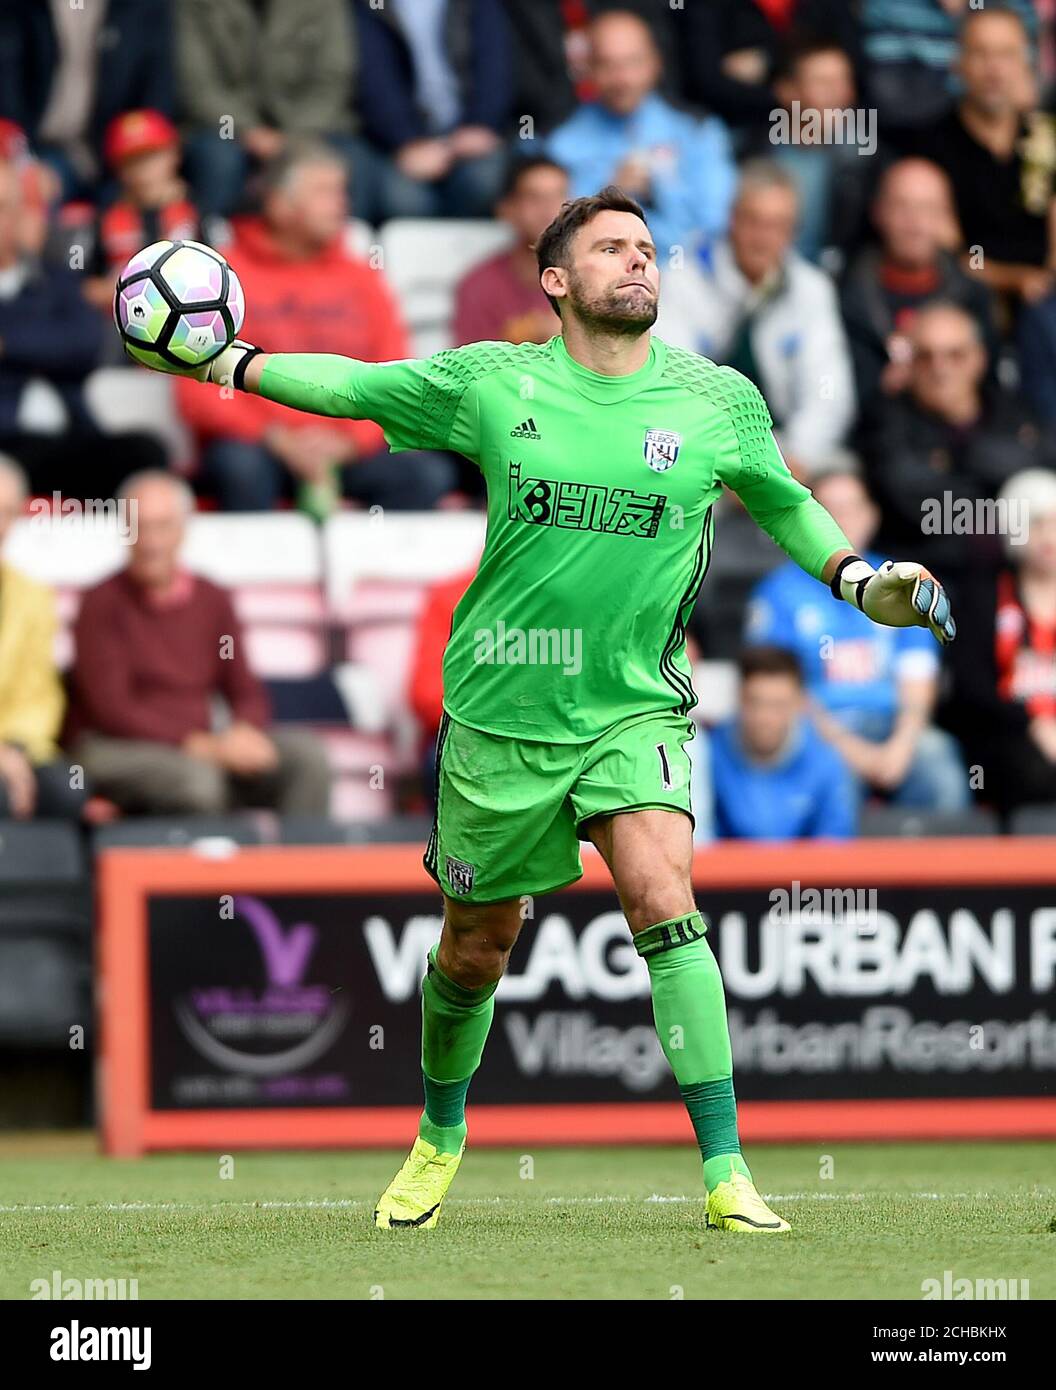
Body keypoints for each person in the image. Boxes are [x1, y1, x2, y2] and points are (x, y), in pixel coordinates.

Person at [143, 184, 957, 1237]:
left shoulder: (718, 400)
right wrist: (229, 361)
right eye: (613, 248)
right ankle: (440, 1134)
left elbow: (785, 498)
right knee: (476, 948)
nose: (640, 262)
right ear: (557, 281)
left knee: (664, 894)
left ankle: (727, 1169)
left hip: (635, 709)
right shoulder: (496, 381)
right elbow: (356, 385)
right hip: (500, 714)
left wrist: (859, 579)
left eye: (650, 248)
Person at [175, 143, 457, 513]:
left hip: (345, 447)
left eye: (341, 190)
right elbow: (195, 384)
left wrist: (349, 443)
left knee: (427, 475)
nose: (341, 204)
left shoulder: (362, 277)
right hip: (260, 446)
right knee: (240, 468)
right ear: (279, 203)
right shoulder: (224, 276)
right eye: (325, 192)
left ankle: (364, 569)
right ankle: (261, 572)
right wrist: (278, 439)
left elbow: (396, 376)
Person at [67, 470, 330, 817]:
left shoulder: (212, 598)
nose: (151, 541)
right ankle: (209, 868)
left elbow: (244, 688)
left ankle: (299, 870)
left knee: (306, 758)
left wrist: (243, 731)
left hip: (203, 747)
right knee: (198, 784)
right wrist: (200, 745)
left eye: (162, 526)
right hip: (116, 748)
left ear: (183, 529)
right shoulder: (101, 603)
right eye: (139, 526)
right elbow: (114, 710)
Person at [746, 468, 968, 812]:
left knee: (938, 761)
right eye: (830, 510)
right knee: (828, 772)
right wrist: (851, 751)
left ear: (871, 516)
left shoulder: (900, 581)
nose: (843, 520)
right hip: (817, 731)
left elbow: (918, 676)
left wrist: (902, 746)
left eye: (852, 508)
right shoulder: (779, 593)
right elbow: (779, 692)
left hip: (895, 726)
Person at [657, 159, 855, 475]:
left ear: (793, 233)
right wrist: (727, 465)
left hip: (786, 457)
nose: (763, 238)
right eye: (754, 221)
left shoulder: (812, 289)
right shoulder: (681, 278)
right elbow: (673, 387)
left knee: (847, 497)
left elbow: (829, 394)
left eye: (778, 225)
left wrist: (792, 458)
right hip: (700, 456)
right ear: (732, 219)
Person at [0, 159, 167, 499]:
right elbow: (65, 343)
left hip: (70, 438)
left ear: (21, 216)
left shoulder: (55, 281)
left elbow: (85, 343)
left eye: (2, 208)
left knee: (145, 451)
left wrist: (8, 344)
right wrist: (45, 341)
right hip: (6, 442)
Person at [862, 301, 1056, 577]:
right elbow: (920, 508)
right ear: (909, 365)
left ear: (979, 358)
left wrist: (965, 459)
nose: (940, 369)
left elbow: (1043, 469)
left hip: (1015, 586)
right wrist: (1000, 503)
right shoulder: (885, 418)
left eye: (955, 355)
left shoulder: (1009, 408)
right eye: (925, 356)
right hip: (925, 582)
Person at [546, 10, 736, 260]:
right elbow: (554, 234)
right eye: (607, 65)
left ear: (656, 63)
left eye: (632, 62)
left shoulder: (698, 131)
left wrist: (658, 193)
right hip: (599, 284)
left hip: (689, 280)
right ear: (587, 68)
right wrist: (606, 194)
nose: (622, 78)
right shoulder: (560, 144)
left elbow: (717, 222)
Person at [914, 7, 1056, 308]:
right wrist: (1016, 280)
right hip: (967, 301)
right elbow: (951, 255)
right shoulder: (931, 148)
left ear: (1025, 63)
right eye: (981, 53)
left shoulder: (1047, 135)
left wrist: (1046, 279)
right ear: (958, 63)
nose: (995, 69)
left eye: (1007, 54)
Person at [841, 158, 999, 418]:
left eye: (928, 209)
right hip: (877, 442)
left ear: (947, 218)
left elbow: (991, 387)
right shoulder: (845, 295)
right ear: (878, 212)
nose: (915, 223)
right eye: (902, 207)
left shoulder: (973, 295)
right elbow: (837, 396)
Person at [176, 0, 359, 221]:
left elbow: (333, 79)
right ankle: (210, 244)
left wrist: (292, 139)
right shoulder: (198, 5)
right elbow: (198, 85)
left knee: (350, 163)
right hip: (225, 129)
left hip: (306, 129)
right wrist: (250, 132)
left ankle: (336, 252)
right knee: (219, 161)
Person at [0, 0, 175, 203]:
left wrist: (152, 157)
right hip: (43, 151)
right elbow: (8, 97)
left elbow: (157, 90)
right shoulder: (20, 8)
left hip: (122, 152)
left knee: (158, 192)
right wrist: (23, 162)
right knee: (24, 195)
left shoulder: (142, 7)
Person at [353, 0, 512, 221]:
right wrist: (406, 141)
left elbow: (496, 64)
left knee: (484, 182)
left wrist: (481, 123)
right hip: (399, 144)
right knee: (403, 200)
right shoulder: (372, 5)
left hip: (471, 134)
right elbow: (375, 81)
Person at [693, 645, 856, 841]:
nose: (765, 717)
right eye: (755, 702)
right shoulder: (708, 753)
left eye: (778, 705)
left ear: (799, 704)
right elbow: (702, 836)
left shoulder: (826, 762)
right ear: (739, 699)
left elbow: (835, 845)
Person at [0, 454, 85, 822]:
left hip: (15, 747)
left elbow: (39, 693)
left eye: (5, 512)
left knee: (67, 789)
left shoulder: (32, 594)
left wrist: (13, 748)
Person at [83, 110, 202, 315]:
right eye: (132, 160)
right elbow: (85, 287)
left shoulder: (198, 210)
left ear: (174, 155)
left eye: (151, 156)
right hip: (123, 326)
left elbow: (225, 272)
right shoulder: (106, 218)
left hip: (189, 321)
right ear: (118, 168)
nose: (143, 169)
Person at [452, 158, 567, 347]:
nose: (549, 209)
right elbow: (472, 368)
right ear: (506, 209)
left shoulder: (590, 275)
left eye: (559, 196)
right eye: (534, 198)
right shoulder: (479, 286)